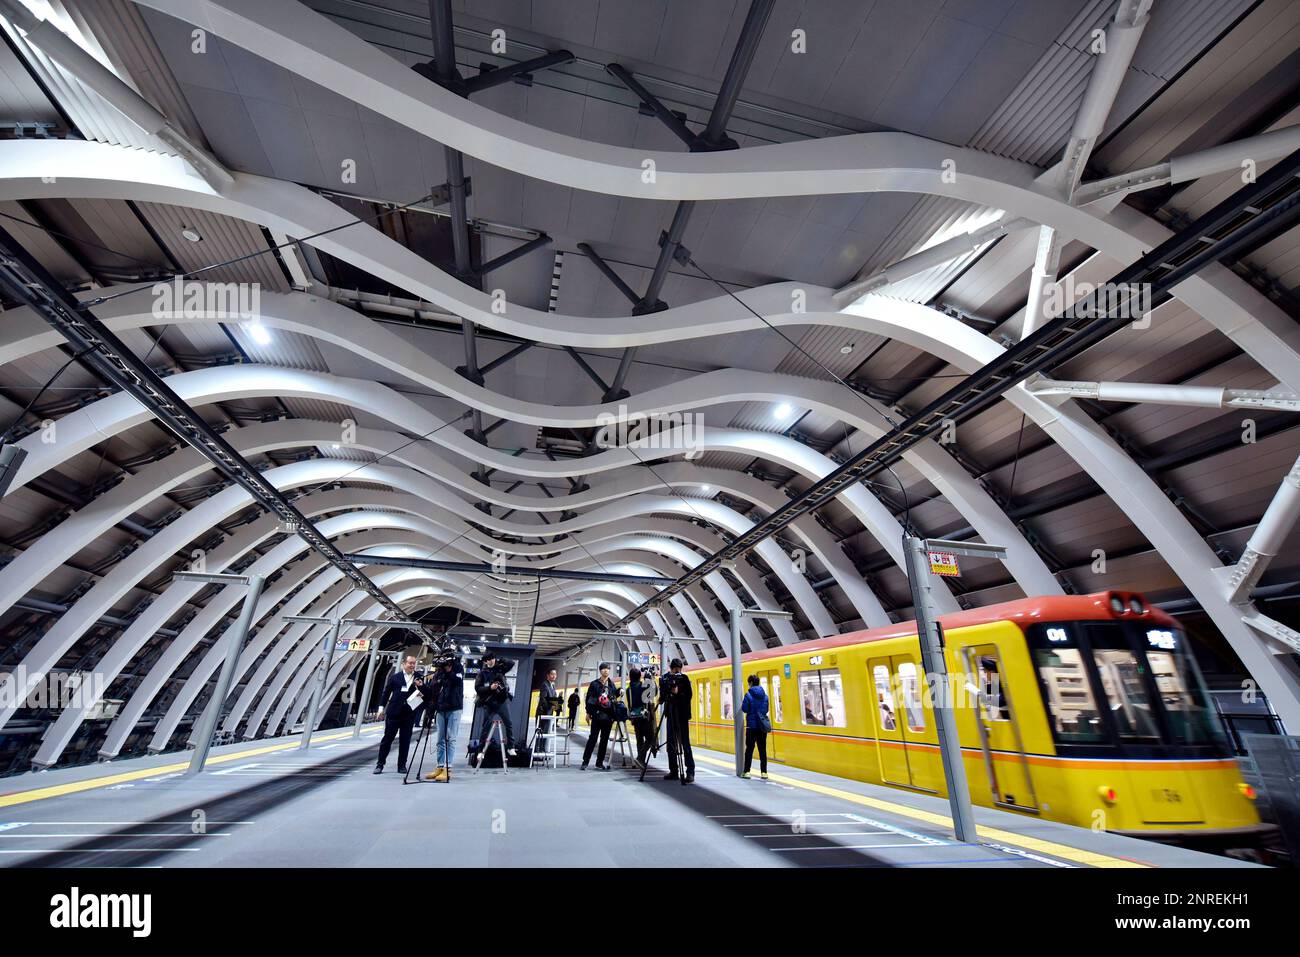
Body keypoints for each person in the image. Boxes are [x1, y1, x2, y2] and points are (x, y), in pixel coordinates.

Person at [374, 654, 422, 774]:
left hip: (409, 715)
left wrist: (421, 689)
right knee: (387, 740)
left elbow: (424, 692)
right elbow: (386, 693)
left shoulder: (419, 677)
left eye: (414, 663)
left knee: (405, 741)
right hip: (394, 713)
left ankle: (402, 765)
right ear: (404, 664)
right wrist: (381, 709)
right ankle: (380, 764)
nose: (412, 665)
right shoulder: (395, 678)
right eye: (410, 663)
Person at [422, 653, 464, 782]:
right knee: (440, 739)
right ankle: (439, 767)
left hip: (454, 708)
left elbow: (457, 680)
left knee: (450, 738)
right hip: (441, 708)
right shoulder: (438, 672)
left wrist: (447, 670)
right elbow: (433, 690)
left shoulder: (458, 668)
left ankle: (448, 767)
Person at [472, 651, 517, 765]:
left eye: (492, 659)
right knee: (485, 727)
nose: (491, 661)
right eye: (488, 660)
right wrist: (490, 688)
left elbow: (511, 663)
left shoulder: (500, 669)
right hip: (489, 703)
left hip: (502, 702)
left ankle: (511, 747)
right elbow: (478, 688)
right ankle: (481, 751)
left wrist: (501, 659)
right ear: (485, 661)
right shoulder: (482, 674)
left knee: (509, 724)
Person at [659, 658, 694, 783]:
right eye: (676, 670)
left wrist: (678, 693)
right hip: (671, 713)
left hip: (682, 715)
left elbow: (689, 695)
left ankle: (690, 772)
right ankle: (673, 771)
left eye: (679, 670)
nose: (678, 672)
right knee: (671, 744)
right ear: (671, 668)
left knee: (685, 743)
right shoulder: (665, 679)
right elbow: (662, 696)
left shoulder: (684, 679)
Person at [581, 663, 618, 770]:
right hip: (596, 715)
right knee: (592, 738)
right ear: (600, 671)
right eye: (604, 669)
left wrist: (619, 692)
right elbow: (589, 699)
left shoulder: (611, 684)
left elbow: (614, 698)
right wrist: (588, 713)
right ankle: (585, 761)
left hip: (608, 717)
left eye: (608, 669)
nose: (606, 671)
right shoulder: (594, 684)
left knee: (604, 740)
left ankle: (599, 762)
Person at [740, 674, 770, 780]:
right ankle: (764, 772)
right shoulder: (765, 696)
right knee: (762, 750)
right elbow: (766, 710)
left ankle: (747, 772)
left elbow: (745, 709)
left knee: (749, 749)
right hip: (762, 727)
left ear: (751, 683)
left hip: (751, 727)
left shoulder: (748, 695)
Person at [625, 667, 657, 767]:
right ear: (640, 677)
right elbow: (654, 693)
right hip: (645, 717)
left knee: (639, 739)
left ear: (630, 677)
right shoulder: (643, 686)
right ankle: (640, 758)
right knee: (650, 738)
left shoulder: (628, 689)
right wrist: (650, 681)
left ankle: (641, 761)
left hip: (635, 717)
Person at [535, 668, 562, 754]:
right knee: (541, 732)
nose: (554, 676)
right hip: (543, 712)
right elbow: (543, 700)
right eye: (552, 674)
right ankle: (538, 751)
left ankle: (542, 750)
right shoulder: (544, 685)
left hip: (549, 712)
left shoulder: (552, 685)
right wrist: (550, 708)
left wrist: (556, 706)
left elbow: (554, 698)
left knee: (546, 732)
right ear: (548, 675)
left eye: (555, 674)